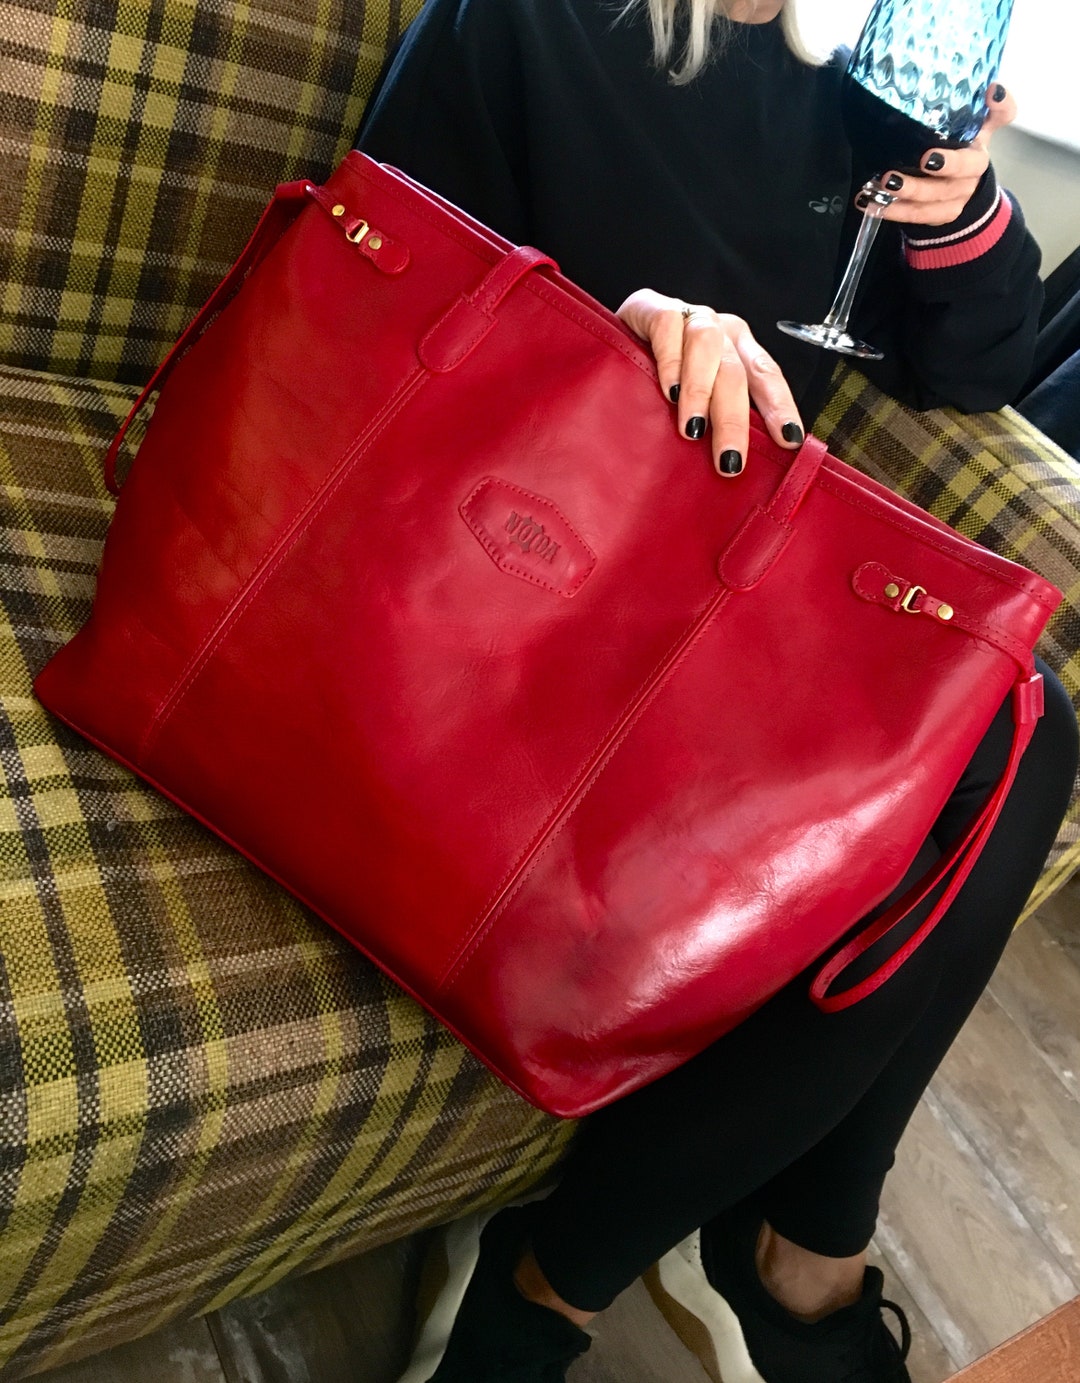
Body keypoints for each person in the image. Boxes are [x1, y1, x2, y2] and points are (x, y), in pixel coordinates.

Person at [357, 3, 1079, 1381]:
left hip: (718, 588)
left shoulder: (875, 87)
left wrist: (964, 210)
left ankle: (704, 1248)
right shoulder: (537, 25)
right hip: (515, 556)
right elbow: (381, 278)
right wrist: (603, 325)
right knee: (1007, 743)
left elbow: (976, 368)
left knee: (1025, 723)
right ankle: (720, 1255)